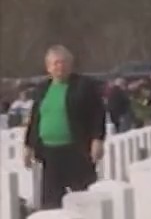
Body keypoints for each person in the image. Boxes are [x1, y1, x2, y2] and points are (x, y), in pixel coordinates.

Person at [24, 45, 106, 210]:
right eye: (55, 63)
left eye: (63, 63)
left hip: (76, 149)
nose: (59, 67)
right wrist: (28, 145)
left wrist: (97, 139)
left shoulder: (83, 86)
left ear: (71, 64)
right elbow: (35, 118)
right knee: (51, 200)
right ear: (48, 67)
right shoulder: (42, 89)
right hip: (49, 151)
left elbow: (97, 113)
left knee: (82, 194)